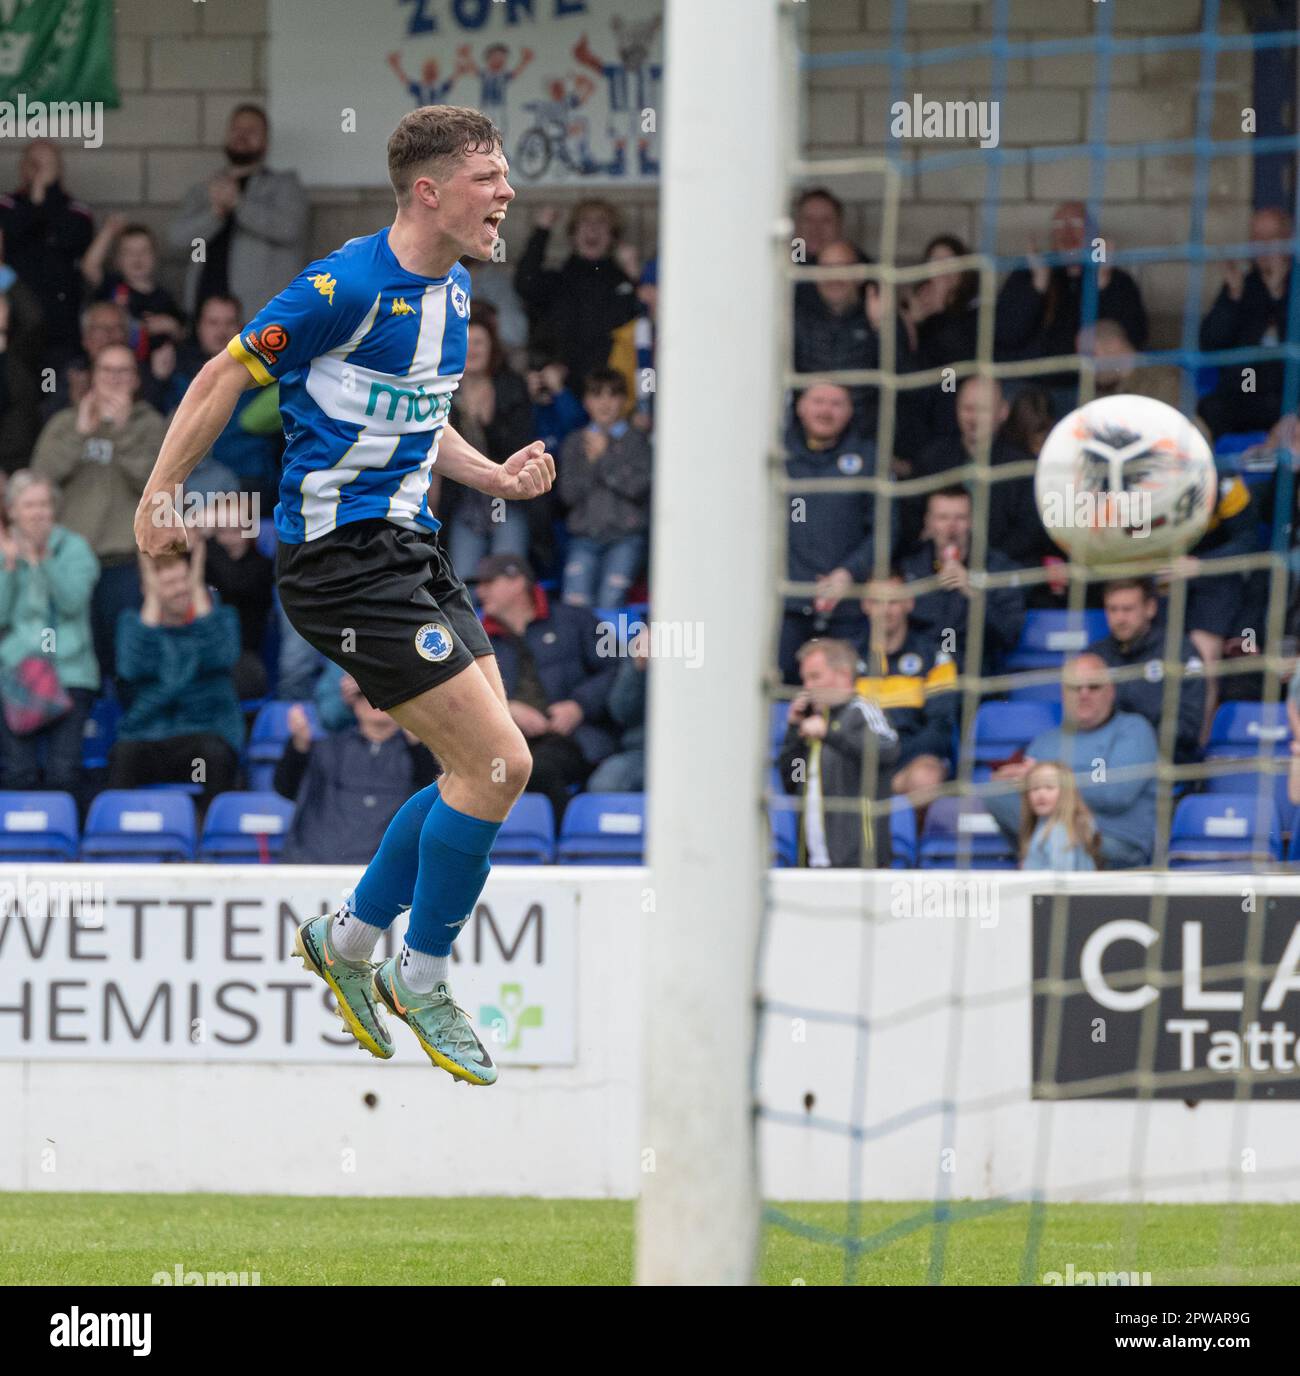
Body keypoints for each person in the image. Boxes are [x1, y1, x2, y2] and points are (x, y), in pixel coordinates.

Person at [135, 104, 557, 1088]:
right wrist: (161, 490)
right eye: (489, 177)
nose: (506, 194)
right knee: (499, 762)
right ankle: (422, 972)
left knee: (480, 770)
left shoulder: (452, 292)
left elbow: (419, 415)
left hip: (412, 548)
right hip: (339, 563)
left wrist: (489, 476)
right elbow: (215, 379)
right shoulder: (342, 285)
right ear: (430, 189)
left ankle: (349, 936)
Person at [33, 343, 168, 684]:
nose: (115, 379)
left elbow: (161, 486)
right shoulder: (64, 422)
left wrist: (121, 433)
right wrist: (79, 434)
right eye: (107, 370)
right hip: (69, 564)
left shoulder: (151, 425)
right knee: (70, 662)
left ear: (136, 379)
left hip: (124, 563)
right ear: (93, 376)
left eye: (124, 371)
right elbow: (40, 481)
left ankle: (123, 732)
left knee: (126, 662)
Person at [474, 553, 617, 822]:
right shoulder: (476, 637)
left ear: (517, 583)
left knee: (537, 770)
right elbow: (466, 696)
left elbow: (616, 668)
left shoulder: (576, 620)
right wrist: (509, 709)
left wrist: (579, 706)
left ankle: (562, 853)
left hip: (577, 737)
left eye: (488, 583)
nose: (480, 591)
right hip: (508, 742)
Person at [987, 653, 1157, 868]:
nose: (1084, 694)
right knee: (995, 793)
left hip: (1112, 841)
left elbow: (1115, 794)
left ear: (1111, 692)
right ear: (1063, 694)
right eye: (1075, 688)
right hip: (1049, 839)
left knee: (1058, 835)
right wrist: (1013, 781)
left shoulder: (1132, 730)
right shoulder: (1045, 742)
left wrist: (1049, 780)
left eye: (1093, 687)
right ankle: (1034, 854)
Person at [109, 547, 245, 810]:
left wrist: (197, 590)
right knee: (123, 754)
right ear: (148, 587)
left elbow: (223, 656)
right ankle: (121, 840)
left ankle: (210, 840)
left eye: (185, 579)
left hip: (204, 735)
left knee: (215, 754)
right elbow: (130, 668)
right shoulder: (132, 625)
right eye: (170, 583)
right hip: (150, 737)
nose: (180, 589)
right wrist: (151, 601)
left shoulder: (221, 619)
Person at [0, 472, 100, 806]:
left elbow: (72, 601)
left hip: (69, 671)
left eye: (44, 504)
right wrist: (9, 568)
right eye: (29, 505)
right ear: (12, 510)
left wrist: (43, 560)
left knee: (63, 771)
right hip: (16, 674)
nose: (38, 512)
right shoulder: (4, 551)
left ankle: (64, 850)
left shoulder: (74, 548)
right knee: (17, 771)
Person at [780, 382, 887, 682]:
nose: (826, 411)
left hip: (848, 609)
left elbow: (886, 531)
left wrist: (847, 573)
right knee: (774, 693)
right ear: (800, 406)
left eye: (836, 403)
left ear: (850, 411)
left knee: (846, 692)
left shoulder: (869, 460)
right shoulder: (777, 458)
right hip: (788, 606)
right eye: (818, 401)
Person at [275, 674, 440, 865]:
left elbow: (439, 796)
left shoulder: (420, 754)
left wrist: (419, 746)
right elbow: (287, 788)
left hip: (389, 871)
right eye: (365, 695)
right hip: (321, 864)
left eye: (387, 695)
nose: (376, 703)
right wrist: (298, 747)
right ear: (352, 703)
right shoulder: (326, 749)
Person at [166, 103, 309, 321]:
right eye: (236, 129)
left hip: (261, 320)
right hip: (206, 318)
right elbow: (177, 239)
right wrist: (214, 213)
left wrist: (238, 204)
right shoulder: (203, 190)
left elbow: (289, 228)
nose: (242, 135)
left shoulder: (285, 185)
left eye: (252, 131)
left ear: (266, 141)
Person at [995, 200, 1148, 401]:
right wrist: (1037, 287)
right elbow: (1005, 334)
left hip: (1091, 389)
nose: (1067, 232)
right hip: (1029, 388)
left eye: (1076, 224)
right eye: (1059, 225)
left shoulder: (1117, 281)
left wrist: (1102, 284)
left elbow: (1131, 341)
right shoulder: (1029, 274)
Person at [777, 638, 900, 868]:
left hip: (861, 864)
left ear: (843, 675)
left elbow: (888, 750)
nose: (808, 687)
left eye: (815, 677)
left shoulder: (863, 711)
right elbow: (794, 781)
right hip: (815, 863)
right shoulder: (814, 723)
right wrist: (794, 732)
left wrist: (831, 735)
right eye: (805, 679)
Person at [435, 314, 534, 574]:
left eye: (479, 342)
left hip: (507, 496)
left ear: (492, 348)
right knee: (463, 581)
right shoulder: (443, 390)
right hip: (464, 502)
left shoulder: (511, 387)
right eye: (465, 342)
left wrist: (488, 422)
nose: (472, 349)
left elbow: (526, 445)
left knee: (508, 575)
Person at [856, 571, 958, 815]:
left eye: (893, 601)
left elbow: (941, 729)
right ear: (865, 605)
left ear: (909, 603)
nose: (886, 610)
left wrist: (892, 755)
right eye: (878, 601)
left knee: (925, 778)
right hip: (862, 763)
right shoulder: (848, 660)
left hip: (911, 762)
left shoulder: (935, 658)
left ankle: (913, 850)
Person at [898, 485, 1027, 676]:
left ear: (972, 521)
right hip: (918, 673)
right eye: (943, 518)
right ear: (929, 522)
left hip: (975, 677)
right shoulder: (909, 569)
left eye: (960, 517)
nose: (952, 526)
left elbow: (1008, 635)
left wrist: (972, 594)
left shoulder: (998, 569)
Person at [513, 200, 638, 392]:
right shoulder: (558, 281)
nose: (593, 229)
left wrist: (635, 277)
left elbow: (642, 320)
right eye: (585, 222)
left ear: (613, 237)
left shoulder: (622, 284)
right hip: (559, 392)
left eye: (601, 222)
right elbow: (525, 284)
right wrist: (542, 231)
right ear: (572, 235)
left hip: (609, 395)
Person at [558, 367, 652, 608]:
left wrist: (602, 459)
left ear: (623, 400)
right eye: (597, 395)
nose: (605, 403)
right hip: (584, 538)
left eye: (613, 395)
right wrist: (591, 464)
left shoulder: (637, 440)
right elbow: (568, 495)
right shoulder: (574, 442)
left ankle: (611, 648)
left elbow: (638, 487)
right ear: (586, 402)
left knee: (611, 601)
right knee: (574, 604)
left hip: (626, 538)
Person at [1088, 576, 1205, 764]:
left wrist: (1138, 744)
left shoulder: (1179, 651)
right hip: (1102, 758)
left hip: (1165, 762)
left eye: (1127, 609)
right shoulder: (1094, 657)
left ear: (1150, 608)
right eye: (1113, 609)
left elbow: (1188, 724)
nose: (1120, 618)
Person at [1198, 207, 1293, 438]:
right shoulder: (1244, 284)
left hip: (1289, 393)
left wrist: (1277, 297)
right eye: (1257, 238)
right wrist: (1232, 297)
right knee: (1210, 410)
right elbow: (1210, 343)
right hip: (1246, 388)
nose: (1263, 246)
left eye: (1271, 238)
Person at [0, 140, 93, 370]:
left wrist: (42, 199)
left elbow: (68, 239)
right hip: (14, 323)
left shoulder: (77, 210)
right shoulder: (6, 205)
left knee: (56, 386)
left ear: (60, 169)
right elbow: (14, 232)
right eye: (34, 163)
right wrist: (36, 197)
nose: (40, 169)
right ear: (22, 167)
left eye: (46, 164)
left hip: (62, 322)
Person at [1018, 760, 1101, 871]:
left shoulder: (1060, 830)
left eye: (1049, 787)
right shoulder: (1043, 826)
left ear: (1066, 792)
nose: (1041, 794)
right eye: (1035, 788)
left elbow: (1060, 877)